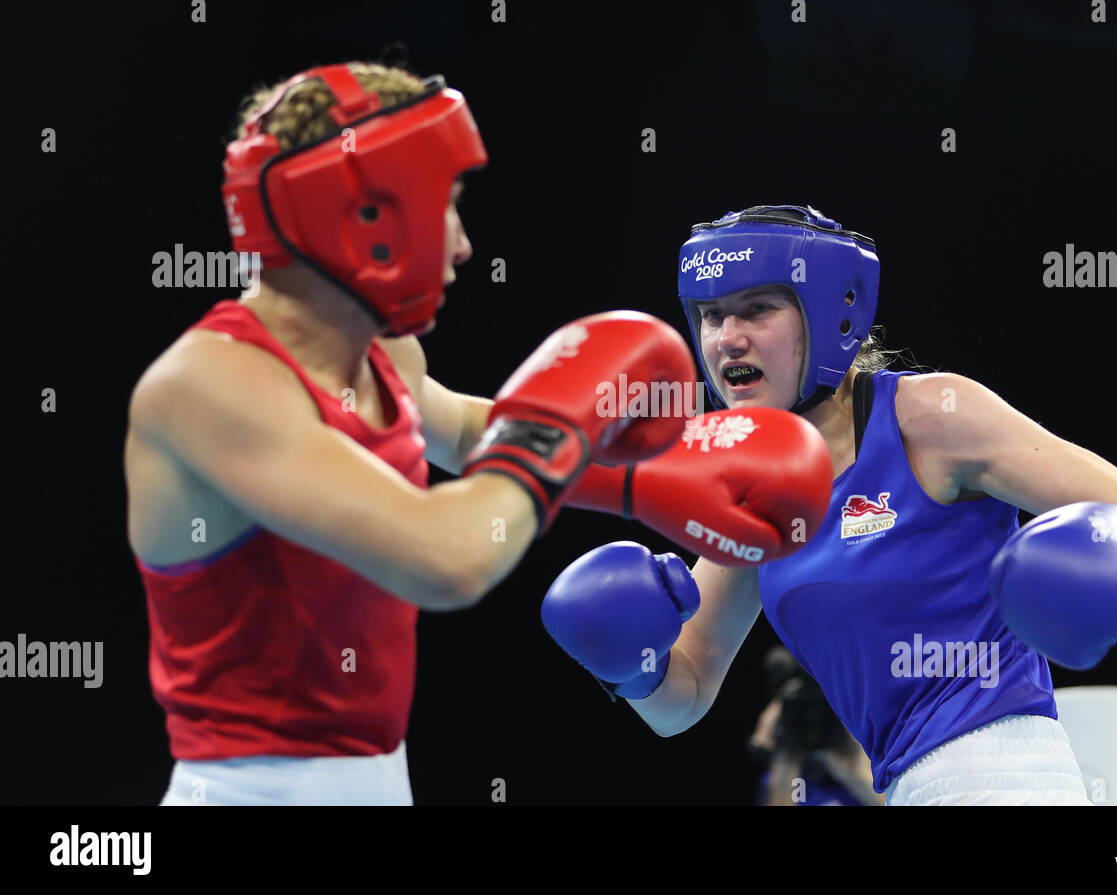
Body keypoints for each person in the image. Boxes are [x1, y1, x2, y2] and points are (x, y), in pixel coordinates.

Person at [126, 63, 822, 805]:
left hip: (380, 777)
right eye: (446, 204)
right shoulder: (210, 387)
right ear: (364, 213)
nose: (462, 245)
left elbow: (462, 431)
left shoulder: (382, 356)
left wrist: (644, 479)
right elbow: (444, 556)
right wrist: (565, 421)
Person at [542, 205, 1117, 806]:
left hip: (1014, 778)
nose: (727, 338)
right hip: (904, 789)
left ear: (835, 311)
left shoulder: (930, 417)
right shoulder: (752, 499)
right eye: (712, 315)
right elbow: (681, 697)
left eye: (757, 308)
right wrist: (626, 656)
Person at [749, 647, 884, 806]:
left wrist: (851, 758)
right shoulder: (782, 778)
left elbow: (885, 802)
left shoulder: (862, 767)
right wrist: (779, 741)